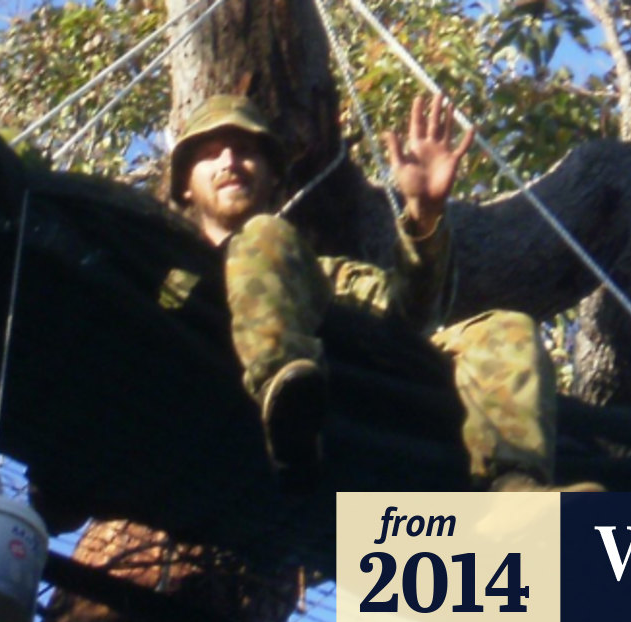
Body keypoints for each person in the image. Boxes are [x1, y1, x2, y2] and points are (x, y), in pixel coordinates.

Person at [170, 93, 601, 493]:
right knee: (262, 234)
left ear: (271, 177)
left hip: (358, 424)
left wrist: (425, 213)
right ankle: (283, 394)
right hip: (199, 418)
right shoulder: (161, 268)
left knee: (506, 328)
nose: (230, 161)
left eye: (245, 151)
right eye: (210, 154)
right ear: (185, 185)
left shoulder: (316, 276)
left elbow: (408, 313)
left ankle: (513, 486)